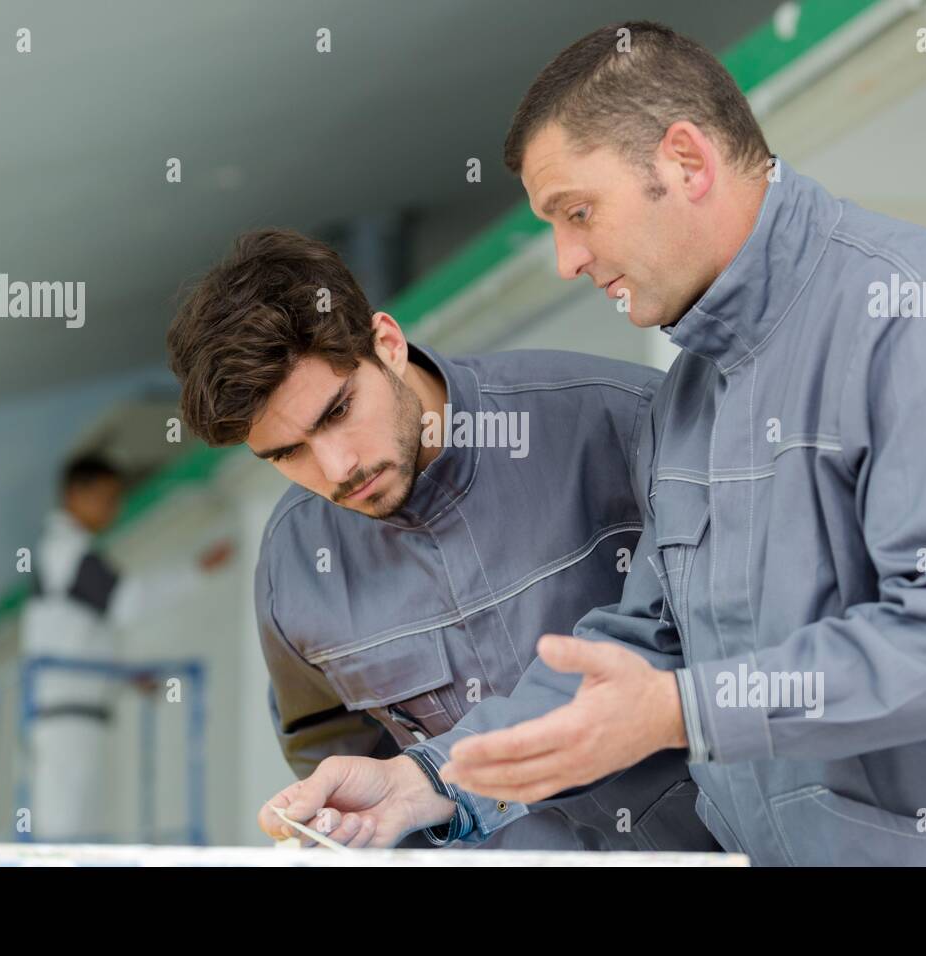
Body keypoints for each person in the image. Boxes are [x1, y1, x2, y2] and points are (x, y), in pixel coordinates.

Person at [259, 21, 926, 866]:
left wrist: (684, 711)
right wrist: (428, 780)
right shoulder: (689, 403)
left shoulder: (923, 317)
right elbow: (650, 644)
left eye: (577, 212)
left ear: (685, 161)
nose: (566, 258)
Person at [167, 227, 715, 851]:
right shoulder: (294, 570)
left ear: (387, 343)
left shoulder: (621, 421)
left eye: (339, 411)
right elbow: (345, 776)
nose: (339, 468)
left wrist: (432, 779)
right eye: (288, 453)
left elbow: (699, 646)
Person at [20, 453, 233, 841]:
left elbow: (79, 638)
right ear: (73, 495)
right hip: (68, 718)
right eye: (104, 498)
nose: (112, 508)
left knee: (73, 831)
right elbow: (128, 603)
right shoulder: (68, 551)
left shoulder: (63, 554)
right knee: (62, 836)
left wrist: (122, 677)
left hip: (72, 714)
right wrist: (196, 570)